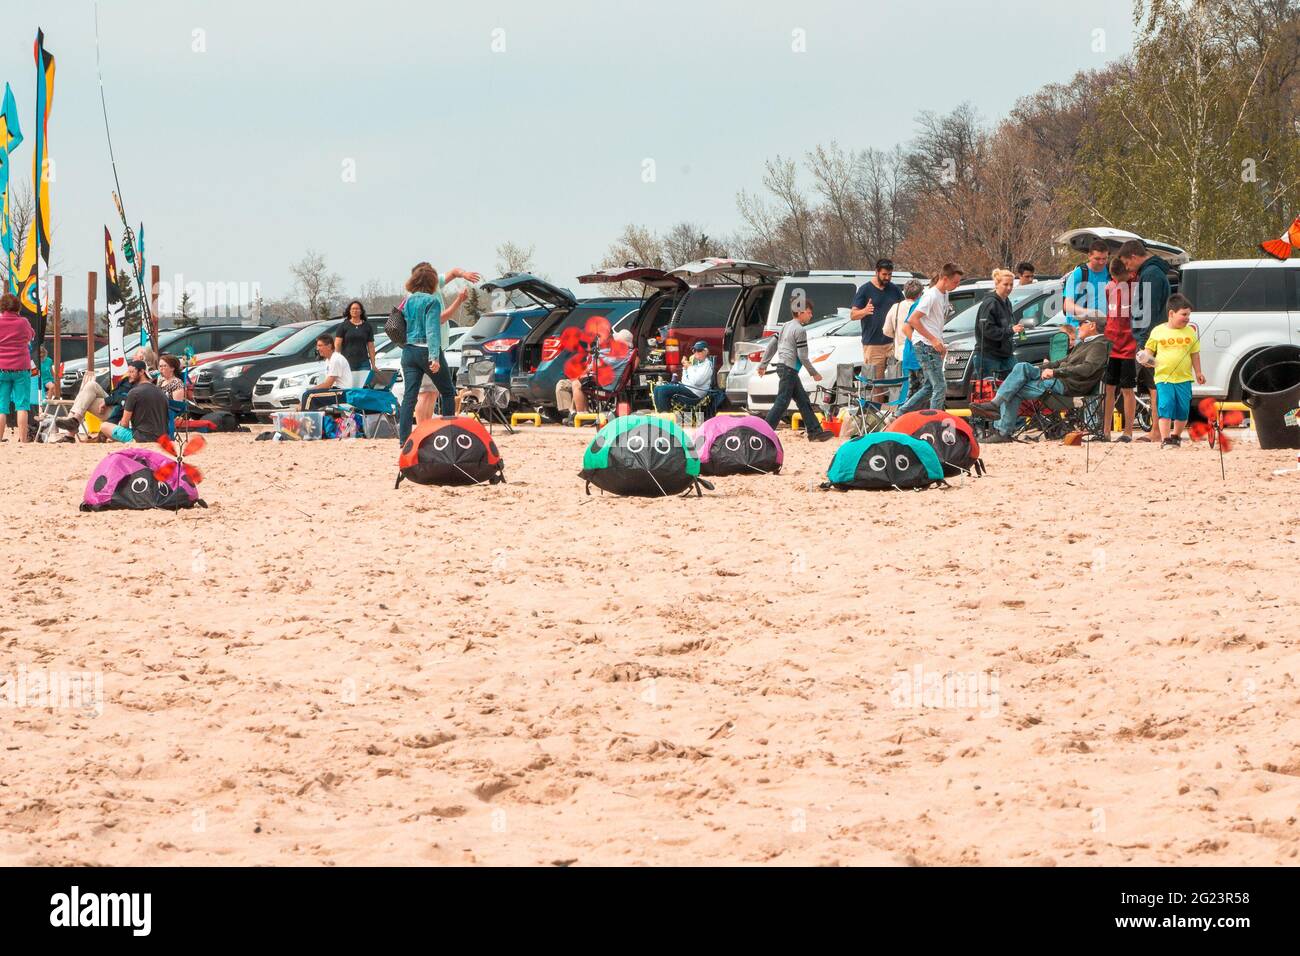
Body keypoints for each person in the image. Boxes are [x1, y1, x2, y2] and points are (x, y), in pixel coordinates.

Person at [969, 315, 1110, 442]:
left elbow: (1087, 369)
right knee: (1020, 373)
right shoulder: (1085, 344)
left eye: (1081, 323)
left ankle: (1000, 424)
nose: (1078, 326)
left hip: (1068, 386)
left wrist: (1055, 373)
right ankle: (1001, 428)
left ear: (1092, 325)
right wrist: (1042, 368)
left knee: (1017, 379)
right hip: (1061, 381)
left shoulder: (1098, 345)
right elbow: (1060, 362)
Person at [398, 262, 479, 442]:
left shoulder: (408, 300)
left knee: (409, 397)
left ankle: (404, 440)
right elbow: (432, 330)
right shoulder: (432, 301)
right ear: (433, 281)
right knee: (448, 392)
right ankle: (447, 435)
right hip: (426, 350)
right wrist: (434, 357)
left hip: (408, 351)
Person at [756, 298, 831, 442]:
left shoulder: (785, 326)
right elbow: (803, 356)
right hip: (789, 369)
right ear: (800, 312)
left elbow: (772, 344)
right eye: (809, 312)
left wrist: (763, 364)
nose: (811, 315)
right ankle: (764, 433)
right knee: (782, 401)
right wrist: (814, 373)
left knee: (803, 400)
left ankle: (815, 431)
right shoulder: (800, 330)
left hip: (783, 367)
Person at [1118, 238, 1170, 442]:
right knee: (1153, 385)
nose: (1128, 268)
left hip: (1150, 338)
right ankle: (1156, 430)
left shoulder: (1150, 274)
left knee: (1151, 385)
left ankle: (1154, 431)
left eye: (1127, 263)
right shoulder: (1155, 272)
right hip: (1154, 335)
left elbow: (1146, 311)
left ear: (1133, 256)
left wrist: (1142, 342)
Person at [895, 263, 964, 414]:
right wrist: (933, 340)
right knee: (940, 386)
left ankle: (900, 413)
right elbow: (913, 320)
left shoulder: (944, 294)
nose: (957, 285)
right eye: (955, 282)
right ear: (945, 278)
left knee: (929, 387)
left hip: (932, 345)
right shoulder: (931, 295)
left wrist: (940, 342)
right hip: (924, 345)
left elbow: (935, 322)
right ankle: (934, 420)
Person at [1143, 293, 1204, 447]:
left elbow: (1195, 354)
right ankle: (1166, 439)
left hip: (1184, 378)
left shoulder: (1190, 332)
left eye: (1189, 315)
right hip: (1163, 377)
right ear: (1171, 313)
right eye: (1183, 314)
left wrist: (1198, 372)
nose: (1187, 318)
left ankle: (1176, 435)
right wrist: (1146, 359)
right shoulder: (1158, 331)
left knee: (1183, 409)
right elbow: (1149, 351)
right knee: (1165, 405)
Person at [557, 329, 634, 424]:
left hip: (607, 384)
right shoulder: (629, 354)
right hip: (612, 382)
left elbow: (598, 365)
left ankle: (581, 416)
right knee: (577, 382)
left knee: (577, 384)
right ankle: (575, 413)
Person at [850, 258, 904, 396]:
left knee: (896, 382)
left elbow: (905, 307)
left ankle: (893, 414)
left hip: (892, 343)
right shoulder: (865, 290)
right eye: (884, 274)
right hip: (873, 344)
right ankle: (874, 413)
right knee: (876, 383)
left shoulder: (894, 290)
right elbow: (853, 314)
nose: (887, 278)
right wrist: (864, 311)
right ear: (877, 272)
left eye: (890, 275)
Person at [1101, 257, 1138, 442]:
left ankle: (1128, 431)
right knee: (1108, 388)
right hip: (1111, 343)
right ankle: (1106, 431)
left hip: (1129, 345)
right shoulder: (1109, 287)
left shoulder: (1135, 285)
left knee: (1127, 388)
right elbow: (1109, 314)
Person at [101, 360, 169, 444]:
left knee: (104, 426)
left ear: (141, 372)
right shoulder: (160, 392)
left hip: (141, 438)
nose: (129, 375)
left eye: (132, 372)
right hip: (162, 437)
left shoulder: (134, 392)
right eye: (128, 372)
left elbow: (124, 423)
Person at [973, 268, 1022, 380]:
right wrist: (1011, 330)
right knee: (990, 393)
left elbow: (1005, 325)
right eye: (1005, 284)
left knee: (1018, 380)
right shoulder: (990, 303)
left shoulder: (1007, 301)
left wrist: (1014, 329)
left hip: (1005, 354)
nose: (1009, 288)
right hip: (988, 356)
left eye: (1011, 284)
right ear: (997, 284)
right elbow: (987, 330)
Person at [1062, 240, 1111, 343]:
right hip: (1079, 331)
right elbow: (1068, 305)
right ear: (1089, 256)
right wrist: (1090, 313)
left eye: (1105, 258)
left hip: (1102, 330)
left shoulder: (1109, 271)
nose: (1101, 262)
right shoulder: (1079, 274)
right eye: (1097, 259)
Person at [0, 292, 33, 443]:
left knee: (1, 407)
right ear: (17, 307)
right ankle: (23, 440)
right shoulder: (23, 322)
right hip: (21, 368)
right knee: (22, 405)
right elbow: (30, 336)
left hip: (1, 368)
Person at [653, 341, 719, 415]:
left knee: (663, 390)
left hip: (696, 392)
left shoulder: (707, 365)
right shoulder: (696, 363)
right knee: (657, 388)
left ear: (706, 352)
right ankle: (662, 414)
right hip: (688, 388)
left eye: (699, 350)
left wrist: (689, 367)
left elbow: (696, 382)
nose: (696, 353)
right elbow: (684, 380)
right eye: (694, 350)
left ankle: (666, 418)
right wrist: (685, 368)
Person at [299, 334, 353, 410]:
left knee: (309, 395)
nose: (317, 348)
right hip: (335, 391)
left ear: (329, 346)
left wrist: (310, 390)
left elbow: (327, 384)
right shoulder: (329, 360)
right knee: (308, 395)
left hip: (342, 393)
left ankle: (306, 420)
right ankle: (314, 419)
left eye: (320, 345)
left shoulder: (336, 359)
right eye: (317, 346)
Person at [333, 300, 376, 382]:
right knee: (351, 385)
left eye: (357, 309)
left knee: (364, 385)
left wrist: (373, 364)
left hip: (363, 362)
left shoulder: (367, 326)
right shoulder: (343, 326)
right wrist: (337, 361)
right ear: (349, 311)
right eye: (352, 309)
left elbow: (371, 346)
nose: (355, 311)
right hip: (347, 362)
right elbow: (337, 344)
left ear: (361, 311)